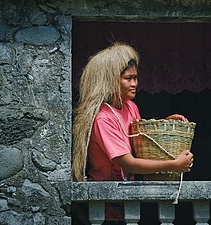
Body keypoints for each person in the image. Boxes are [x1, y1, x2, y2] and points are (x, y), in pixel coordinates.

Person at [71, 42, 194, 224]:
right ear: (111, 80)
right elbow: (128, 163)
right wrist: (173, 164)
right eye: (128, 78)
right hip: (104, 206)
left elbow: (140, 142)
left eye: (136, 78)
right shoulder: (103, 119)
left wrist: (163, 124)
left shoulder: (130, 107)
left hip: (127, 201)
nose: (135, 83)